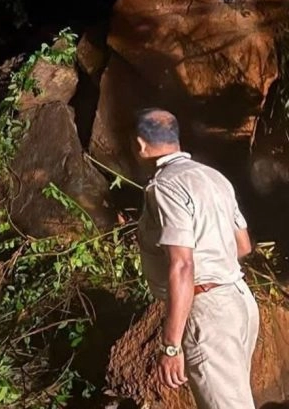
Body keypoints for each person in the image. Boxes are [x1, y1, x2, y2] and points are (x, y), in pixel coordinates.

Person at [134, 108, 259, 408]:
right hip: (239, 302)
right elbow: (243, 246)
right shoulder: (214, 178)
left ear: (140, 144)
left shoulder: (164, 186)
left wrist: (172, 347)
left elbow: (182, 264)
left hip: (208, 312)